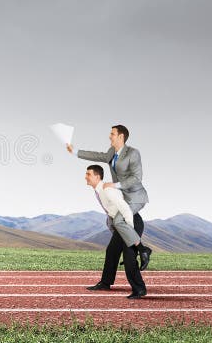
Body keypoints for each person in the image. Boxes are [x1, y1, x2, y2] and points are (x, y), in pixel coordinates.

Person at [67, 124, 151, 299]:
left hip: (134, 198)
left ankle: (140, 286)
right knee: (112, 250)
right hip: (122, 202)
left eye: (112, 134)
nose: (109, 136)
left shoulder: (133, 153)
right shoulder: (111, 153)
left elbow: (136, 178)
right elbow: (98, 156)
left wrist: (116, 185)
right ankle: (106, 282)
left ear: (121, 136)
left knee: (128, 253)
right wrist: (75, 152)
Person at [83, 165, 146, 298]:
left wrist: (129, 232)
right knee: (112, 251)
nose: (85, 177)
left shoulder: (107, 189)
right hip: (121, 224)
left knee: (129, 256)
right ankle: (105, 282)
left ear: (97, 176)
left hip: (130, 221)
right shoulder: (99, 191)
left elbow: (125, 208)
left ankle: (139, 289)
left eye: (88, 174)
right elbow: (112, 212)